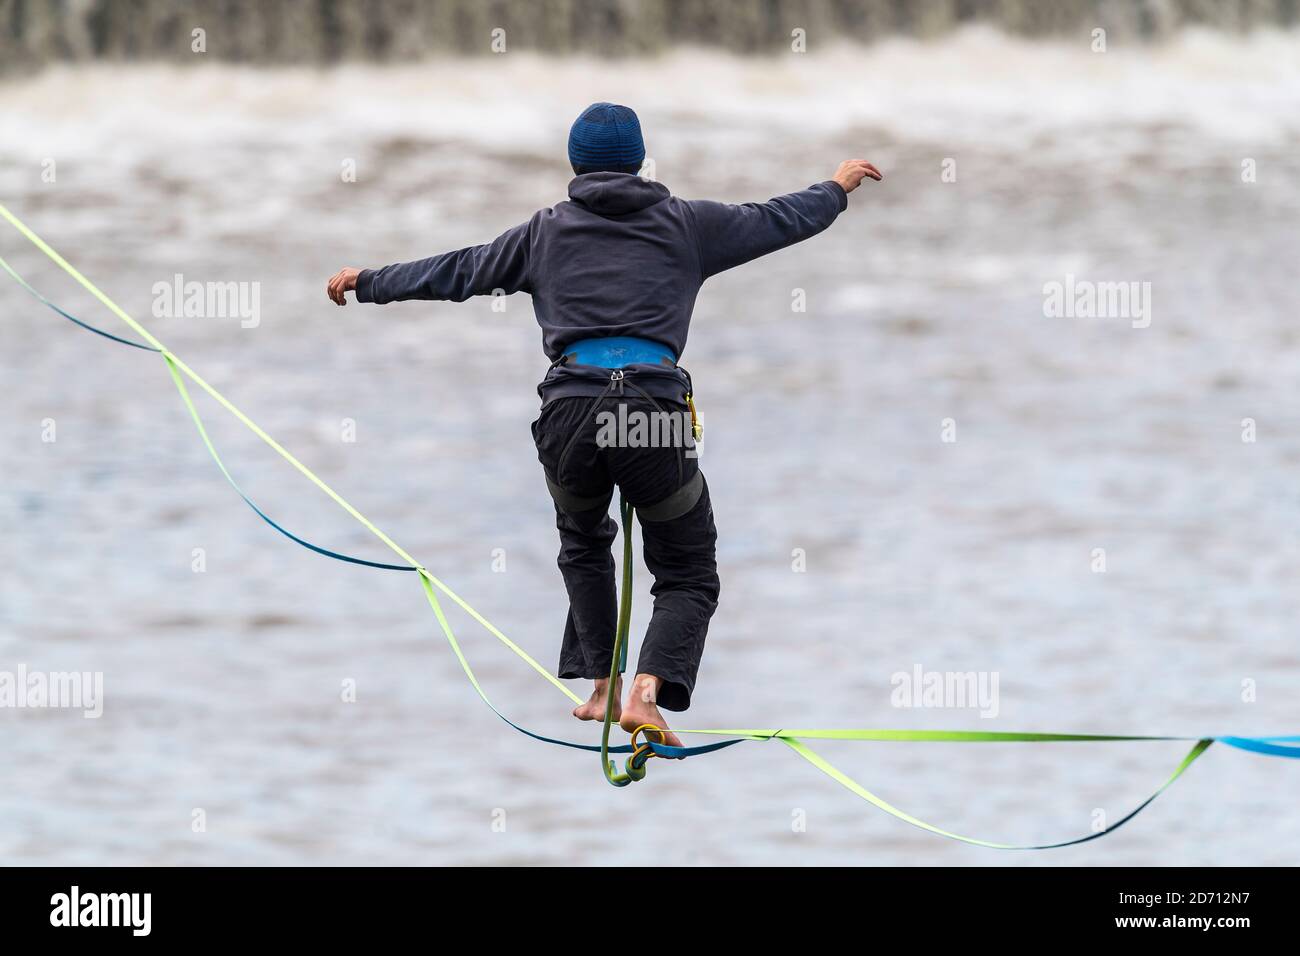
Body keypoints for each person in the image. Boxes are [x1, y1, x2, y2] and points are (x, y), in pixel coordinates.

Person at [327, 102, 880, 746]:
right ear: (643, 163)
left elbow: (460, 270)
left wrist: (369, 281)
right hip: (651, 416)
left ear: (575, 166)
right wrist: (835, 188)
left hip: (570, 416)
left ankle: (601, 687)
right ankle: (646, 693)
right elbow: (778, 219)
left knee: (584, 543)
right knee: (687, 569)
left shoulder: (543, 232)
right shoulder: (688, 224)